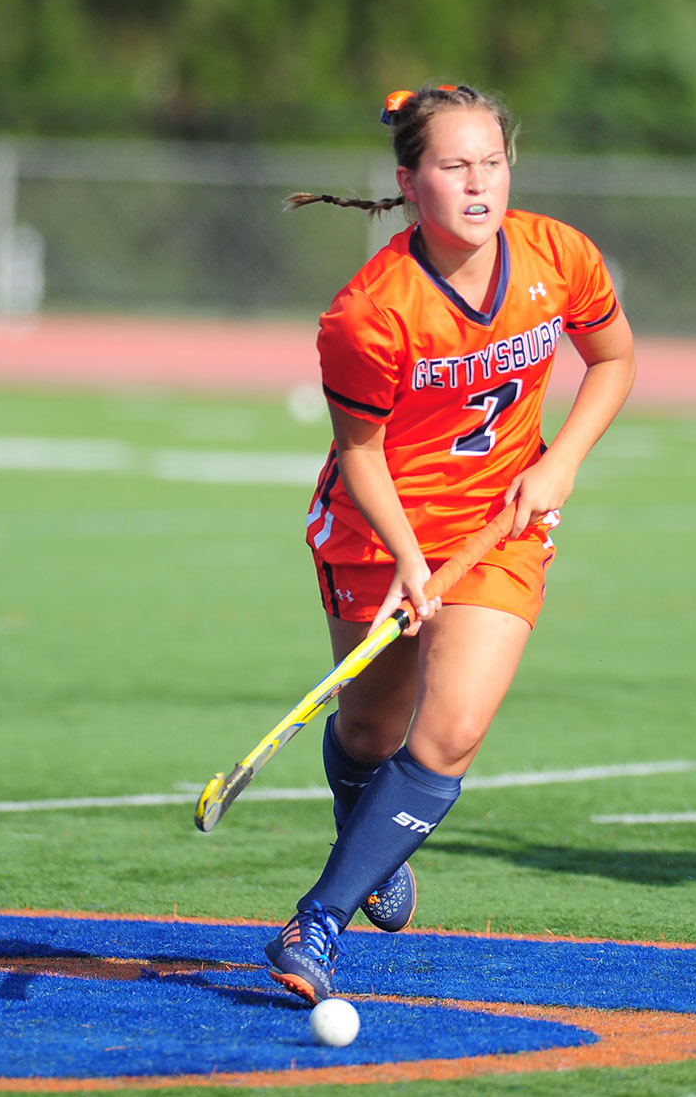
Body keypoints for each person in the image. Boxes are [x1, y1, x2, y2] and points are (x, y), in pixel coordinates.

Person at [262, 83, 635, 1002]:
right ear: (409, 180)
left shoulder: (560, 256)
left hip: (502, 526)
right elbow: (360, 453)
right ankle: (370, 833)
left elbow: (615, 360)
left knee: (452, 727)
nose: (480, 184)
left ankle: (315, 922)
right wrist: (408, 560)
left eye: (494, 162)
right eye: (455, 166)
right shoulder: (369, 313)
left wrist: (561, 465)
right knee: (370, 730)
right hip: (375, 526)